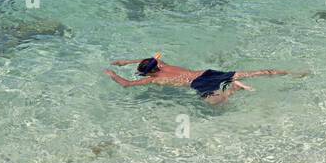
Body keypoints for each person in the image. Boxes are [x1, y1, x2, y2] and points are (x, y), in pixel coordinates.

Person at [105, 54, 293, 106]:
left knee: (214, 103)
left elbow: (127, 84)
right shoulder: (163, 64)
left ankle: (233, 89)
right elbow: (147, 58)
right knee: (255, 73)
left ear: (148, 73)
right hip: (206, 73)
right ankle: (292, 73)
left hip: (199, 84)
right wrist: (126, 61)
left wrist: (113, 75)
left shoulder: (153, 80)